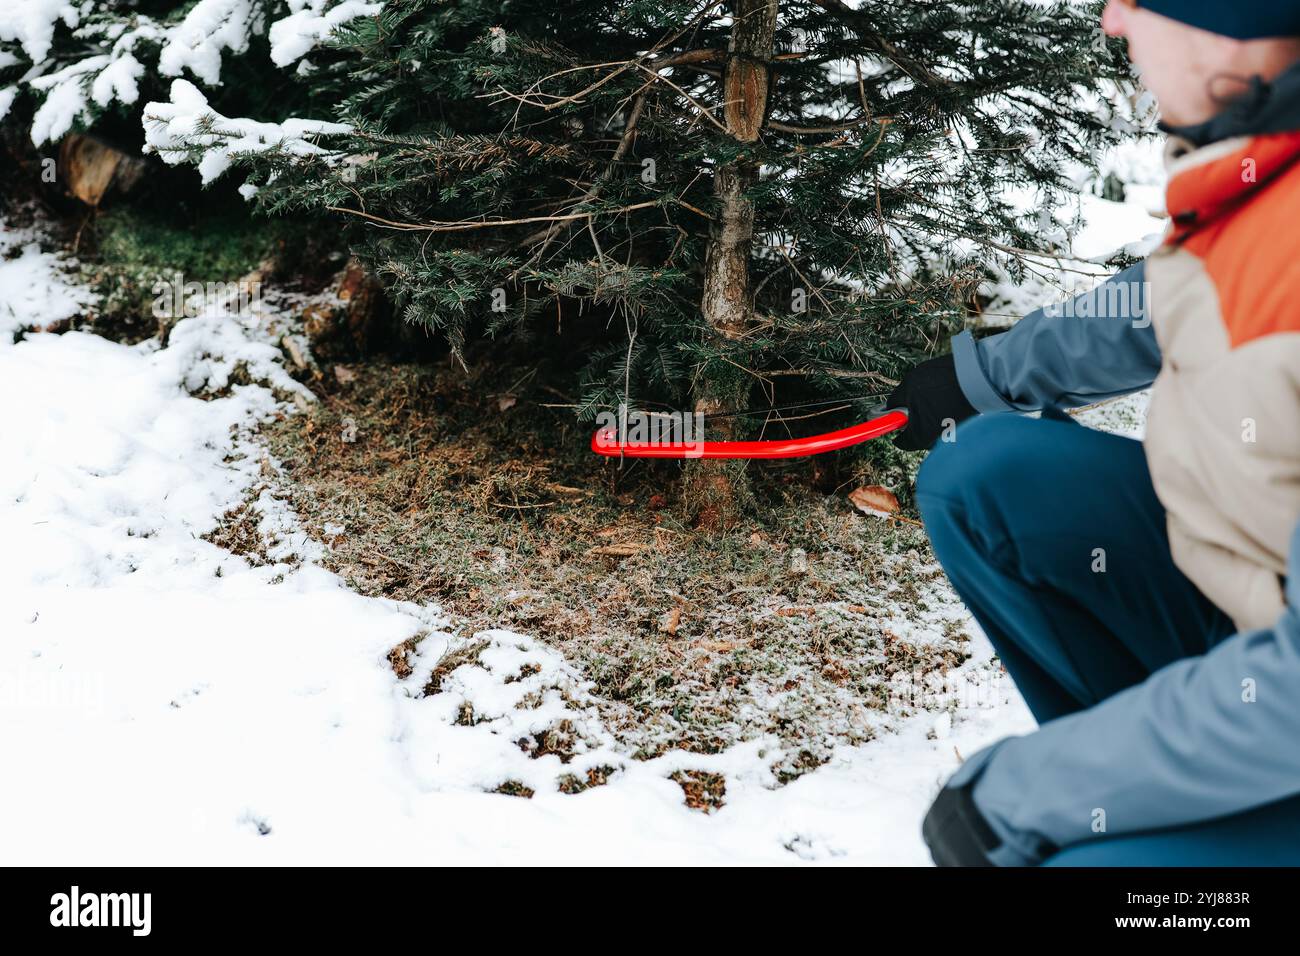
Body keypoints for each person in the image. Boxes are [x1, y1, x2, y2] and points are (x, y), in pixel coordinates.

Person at [888, 1, 1300, 866]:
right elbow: (1160, 303)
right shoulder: (1267, 173)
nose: (1114, 22)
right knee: (987, 477)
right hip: (1256, 623)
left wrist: (1023, 791)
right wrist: (982, 378)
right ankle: (1149, 794)